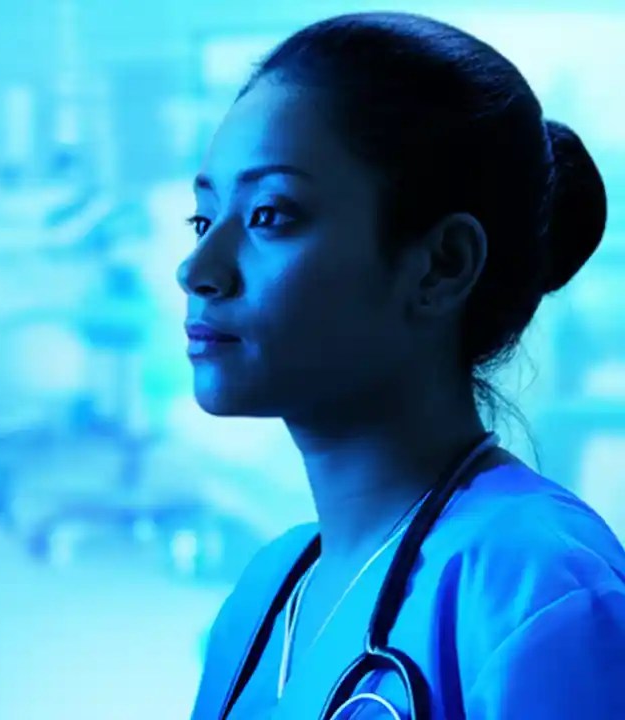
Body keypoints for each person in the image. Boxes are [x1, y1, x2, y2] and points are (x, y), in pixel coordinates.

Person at [178, 12, 625, 719]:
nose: (198, 269)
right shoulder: (265, 597)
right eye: (204, 221)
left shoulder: (538, 591)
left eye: (270, 215)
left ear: (441, 266)